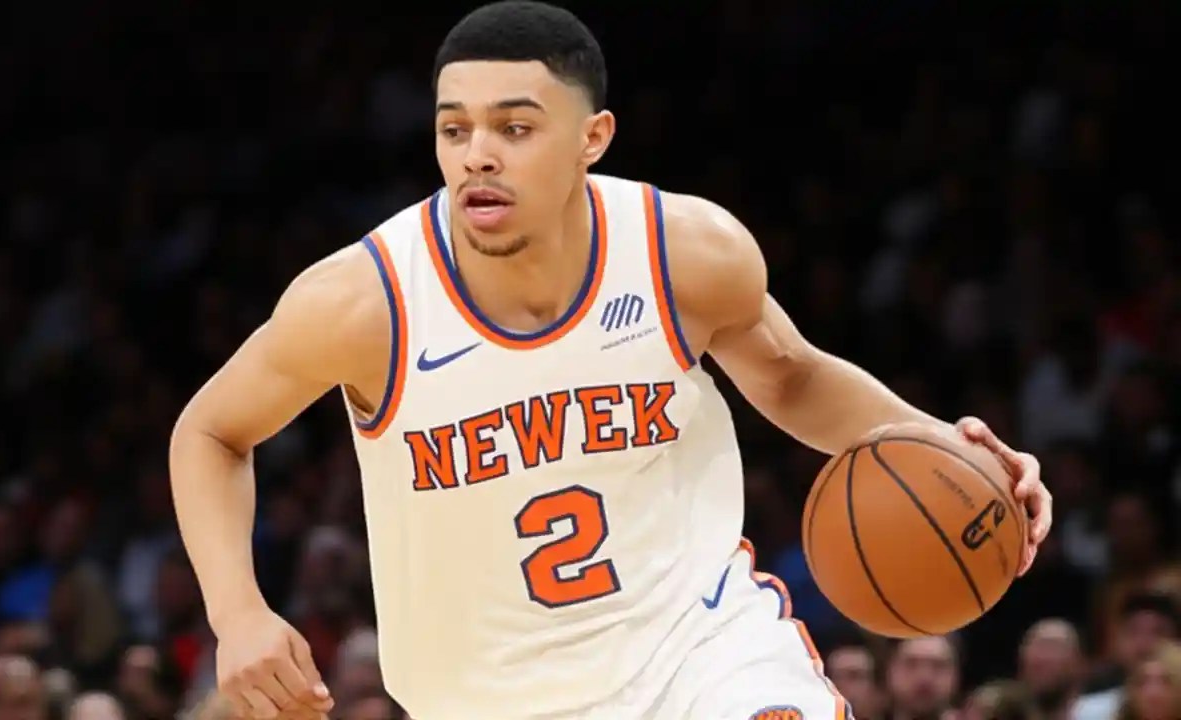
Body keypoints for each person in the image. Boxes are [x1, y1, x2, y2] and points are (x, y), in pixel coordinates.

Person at [168, 2, 1054, 718]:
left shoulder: (685, 251)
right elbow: (209, 430)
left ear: (592, 138)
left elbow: (791, 374)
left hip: (697, 654)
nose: (477, 153)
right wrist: (237, 613)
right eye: (455, 128)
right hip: (484, 700)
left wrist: (944, 445)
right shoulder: (363, 302)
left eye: (515, 128)